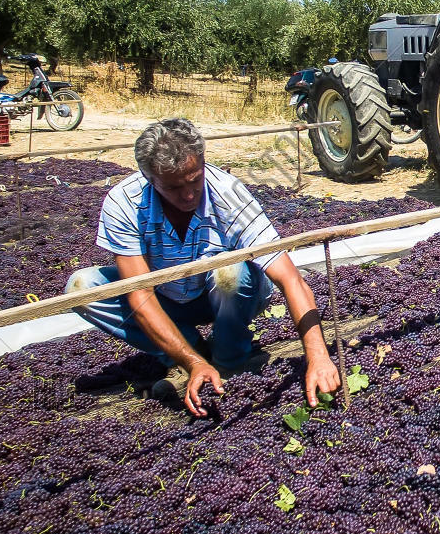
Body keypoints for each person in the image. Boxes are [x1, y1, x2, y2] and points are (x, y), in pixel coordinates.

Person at [67, 118, 342, 417]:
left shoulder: (228, 193)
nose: (187, 195)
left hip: (225, 295)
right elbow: (140, 297)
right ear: (149, 178)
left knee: (229, 272)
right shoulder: (125, 203)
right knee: (82, 288)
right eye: (173, 187)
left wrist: (318, 356)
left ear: (203, 161)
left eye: (195, 180)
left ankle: (230, 358)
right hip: (163, 300)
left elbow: (290, 279)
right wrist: (193, 362)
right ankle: (191, 352)